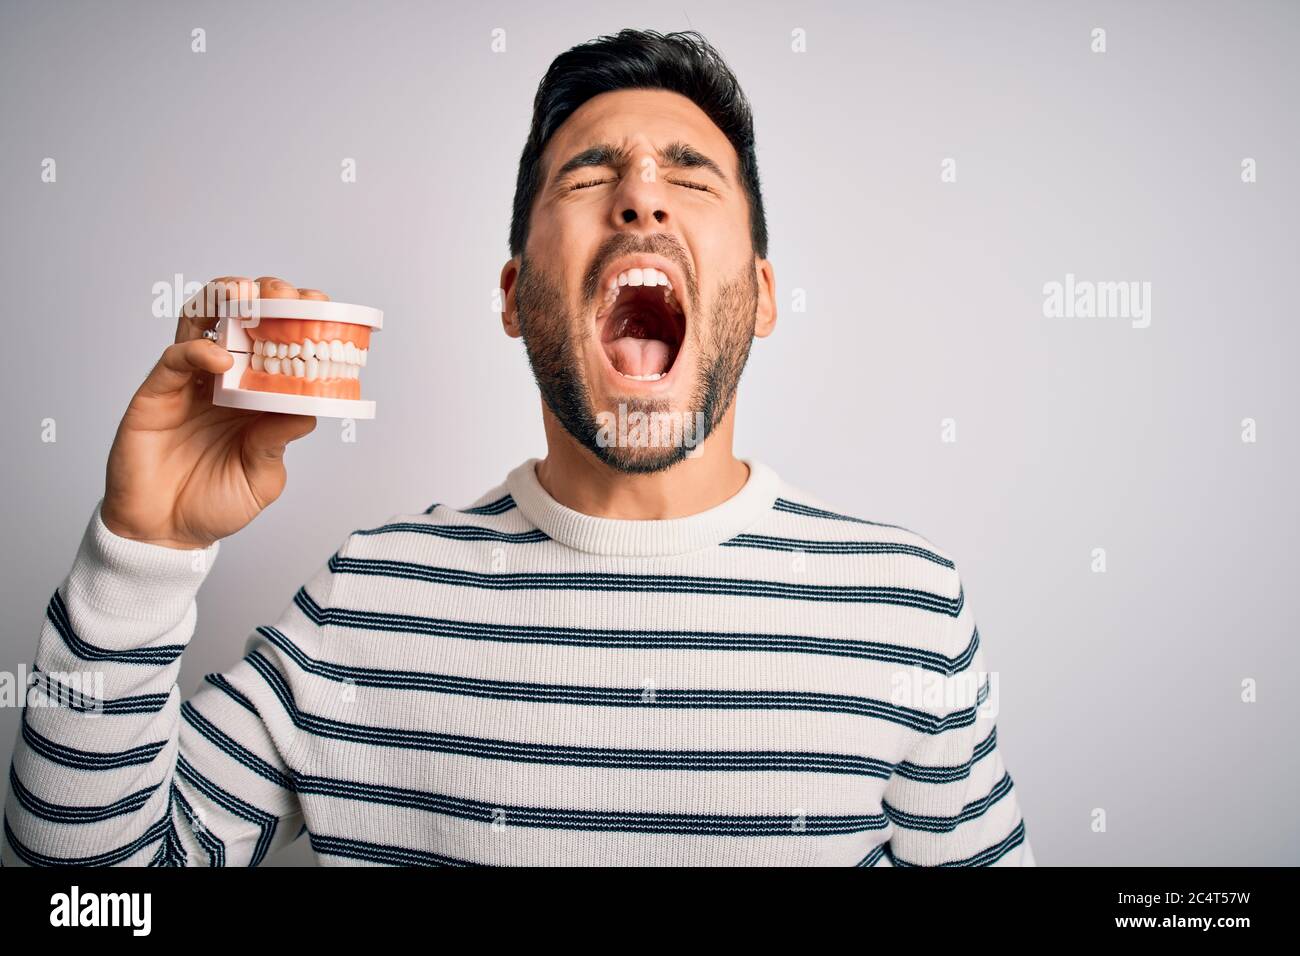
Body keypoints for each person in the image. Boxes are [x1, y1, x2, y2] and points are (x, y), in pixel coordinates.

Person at [2, 28, 1034, 866]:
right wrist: (138, 552)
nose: (640, 194)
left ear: (759, 295)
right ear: (513, 294)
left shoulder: (908, 610)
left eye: (691, 174)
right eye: (589, 176)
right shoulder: (368, 600)